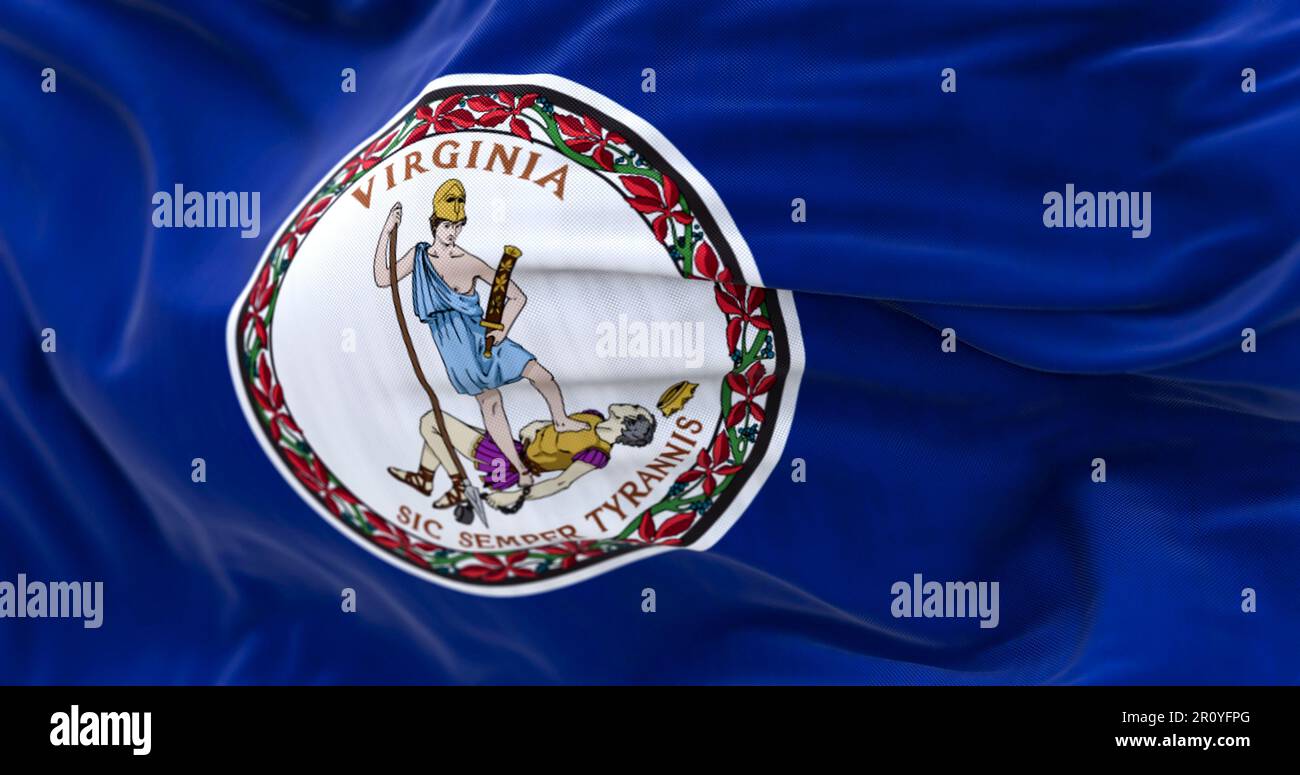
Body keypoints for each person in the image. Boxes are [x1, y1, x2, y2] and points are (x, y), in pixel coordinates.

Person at [373, 179, 584, 508]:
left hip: (484, 335)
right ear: (435, 225)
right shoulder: (417, 257)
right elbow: (382, 278)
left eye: (457, 226)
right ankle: (518, 468)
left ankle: (561, 418)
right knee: (491, 404)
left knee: (538, 371)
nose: (452, 232)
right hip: (455, 346)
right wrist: (386, 231)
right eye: (447, 225)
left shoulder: (469, 261)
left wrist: (501, 328)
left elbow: (515, 295)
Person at [388, 404, 657, 511]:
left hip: (508, 462)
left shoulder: (597, 453)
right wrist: (538, 424)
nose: (629, 404)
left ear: (625, 425)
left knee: (432, 422)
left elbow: (561, 483)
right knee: (439, 434)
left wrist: (514, 497)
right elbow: (558, 424)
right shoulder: (593, 416)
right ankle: (424, 478)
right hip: (514, 446)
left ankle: (459, 486)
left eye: (633, 408)